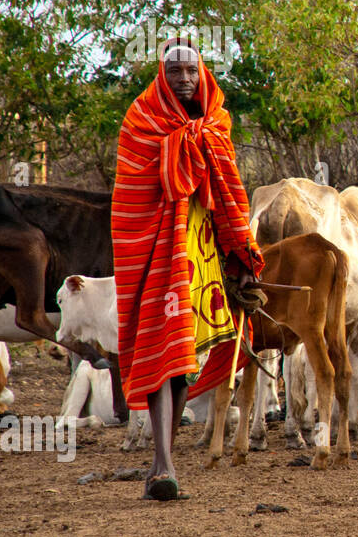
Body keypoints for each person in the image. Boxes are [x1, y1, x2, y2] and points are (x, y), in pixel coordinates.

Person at [111, 36, 264, 500]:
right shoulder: (142, 120)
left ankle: (165, 461)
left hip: (200, 257)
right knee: (163, 355)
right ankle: (163, 463)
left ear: (203, 74)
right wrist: (181, 145)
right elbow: (130, 197)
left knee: (184, 363)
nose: (184, 79)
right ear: (162, 75)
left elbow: (231, 197)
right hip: (158, 255)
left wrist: (242, 256)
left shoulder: (216, 124)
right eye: (174, 71)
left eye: (191, 71)